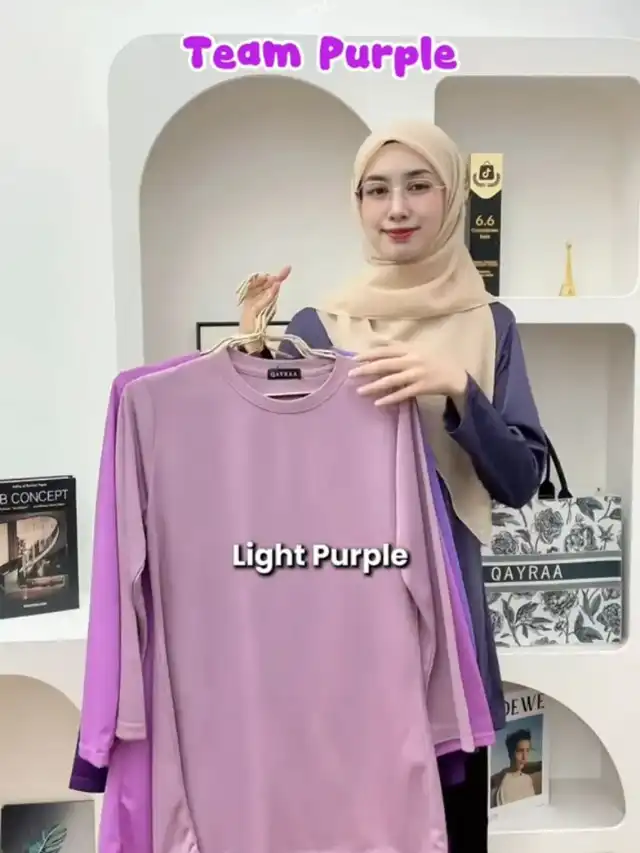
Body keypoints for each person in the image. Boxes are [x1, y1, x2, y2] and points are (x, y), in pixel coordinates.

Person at [237, 120, 548, 853]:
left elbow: (520, 480)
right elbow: (274, 481)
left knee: (454, 822)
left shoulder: (491, 324)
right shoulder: (318, 324)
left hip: (453, 631)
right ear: (358, 204)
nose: (397, 208)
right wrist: (251, 355)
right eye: (376, 190)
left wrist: (458, 389)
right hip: (343, 627)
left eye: (417, 186)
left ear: (451, 196)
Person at [495, 729, 536, 806]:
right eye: (520, 751)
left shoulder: (527, 779)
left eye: (527, 751)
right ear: (510, 753)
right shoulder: (504, 784)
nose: (525, 757)